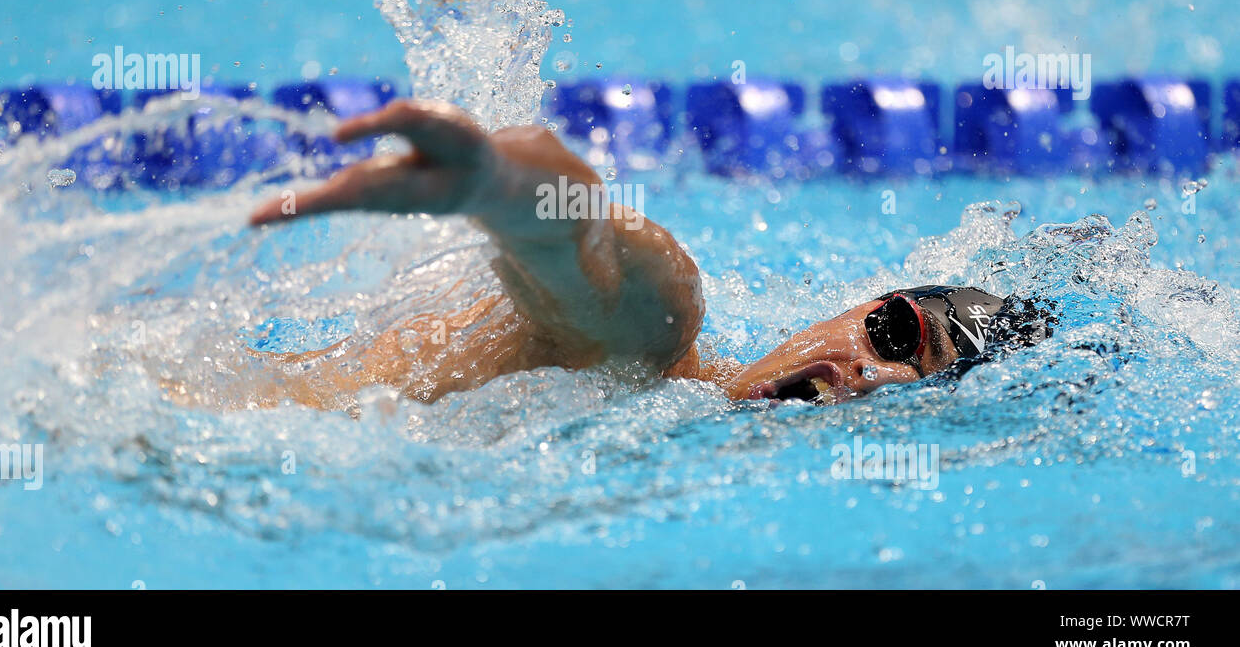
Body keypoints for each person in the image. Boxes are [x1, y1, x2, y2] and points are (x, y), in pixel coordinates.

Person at [243, 98, 1049, 411]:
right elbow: (586, 243)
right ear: (861, 306)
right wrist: (495, 181)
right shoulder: (652, 345)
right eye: (896, 335)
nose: (868, 374)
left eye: (908, 390)